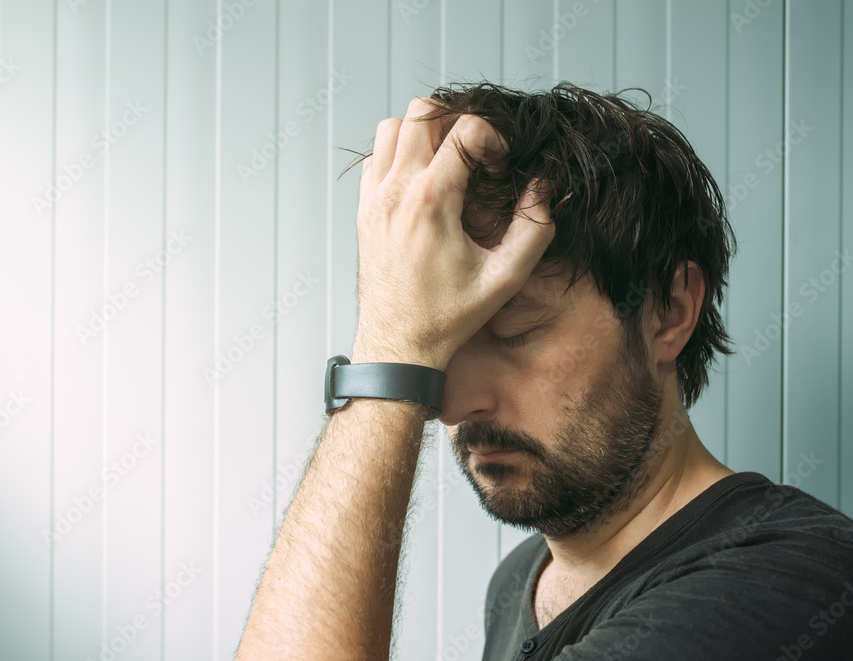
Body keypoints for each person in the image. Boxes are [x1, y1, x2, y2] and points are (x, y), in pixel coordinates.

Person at [234, 82, 853, 660]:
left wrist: (388, 358)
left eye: (513, 332)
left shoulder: (797, 576)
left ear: (669, 310)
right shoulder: (521, 579)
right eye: (439, 347)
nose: (450, 404)